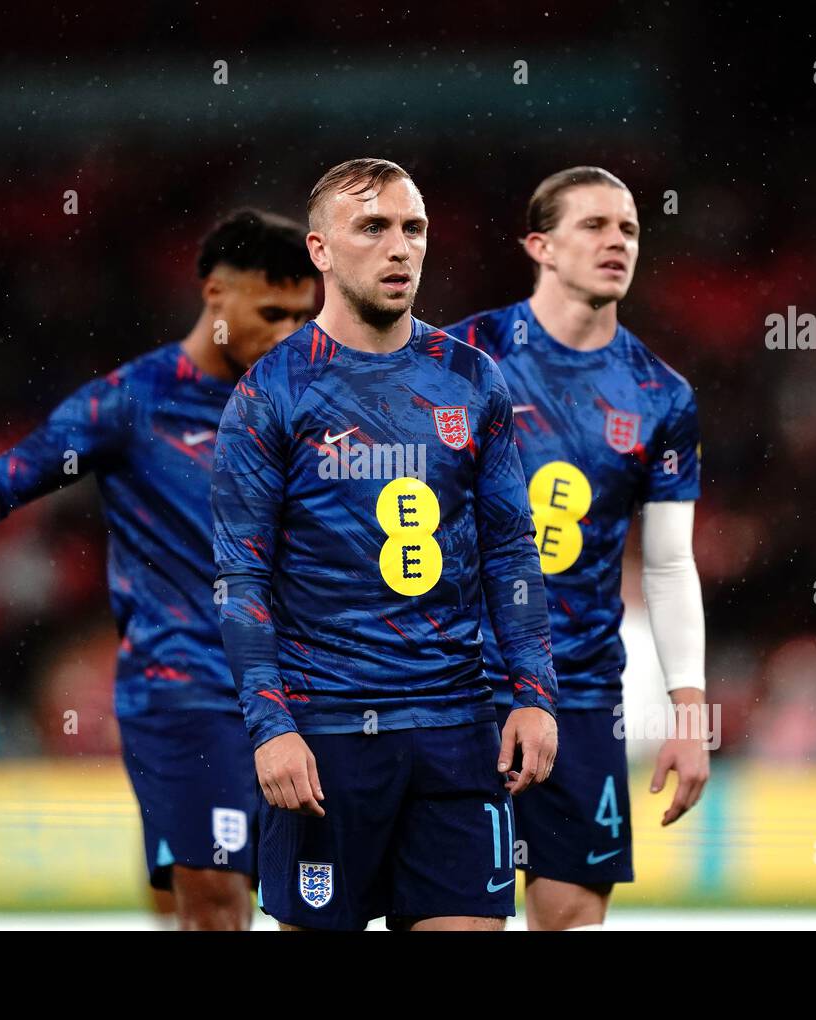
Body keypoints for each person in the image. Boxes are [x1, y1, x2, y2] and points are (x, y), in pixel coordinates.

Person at [0, 209, 318, 930]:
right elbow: (12, 471)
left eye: (303, 316)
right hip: (185, 687)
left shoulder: (309, 400)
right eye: (272, 313)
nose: (289, 334)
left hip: (301, 686)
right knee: (214, 896)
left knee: (293, 898)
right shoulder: (134, 401)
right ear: (214, 296)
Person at [211, 158, 557, 932]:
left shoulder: (473, 380)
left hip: (457, 732)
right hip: (326, 739)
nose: (400, 247)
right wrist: (271, 727)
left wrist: (534, 693)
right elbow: (240, 578)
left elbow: (512, 552)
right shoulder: (271, 393)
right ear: (320, 251)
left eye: (413, 229)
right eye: (373, 228)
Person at [447, 166, 709, 930]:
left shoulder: (662, 396)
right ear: (541, 245)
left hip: (584, 694)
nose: (616, 241)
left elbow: (666, 563)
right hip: (462, 686)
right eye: (593, 225)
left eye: (628, 228)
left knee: (569, 921)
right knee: (459, 919)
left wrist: (688, 712)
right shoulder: (463, 356)